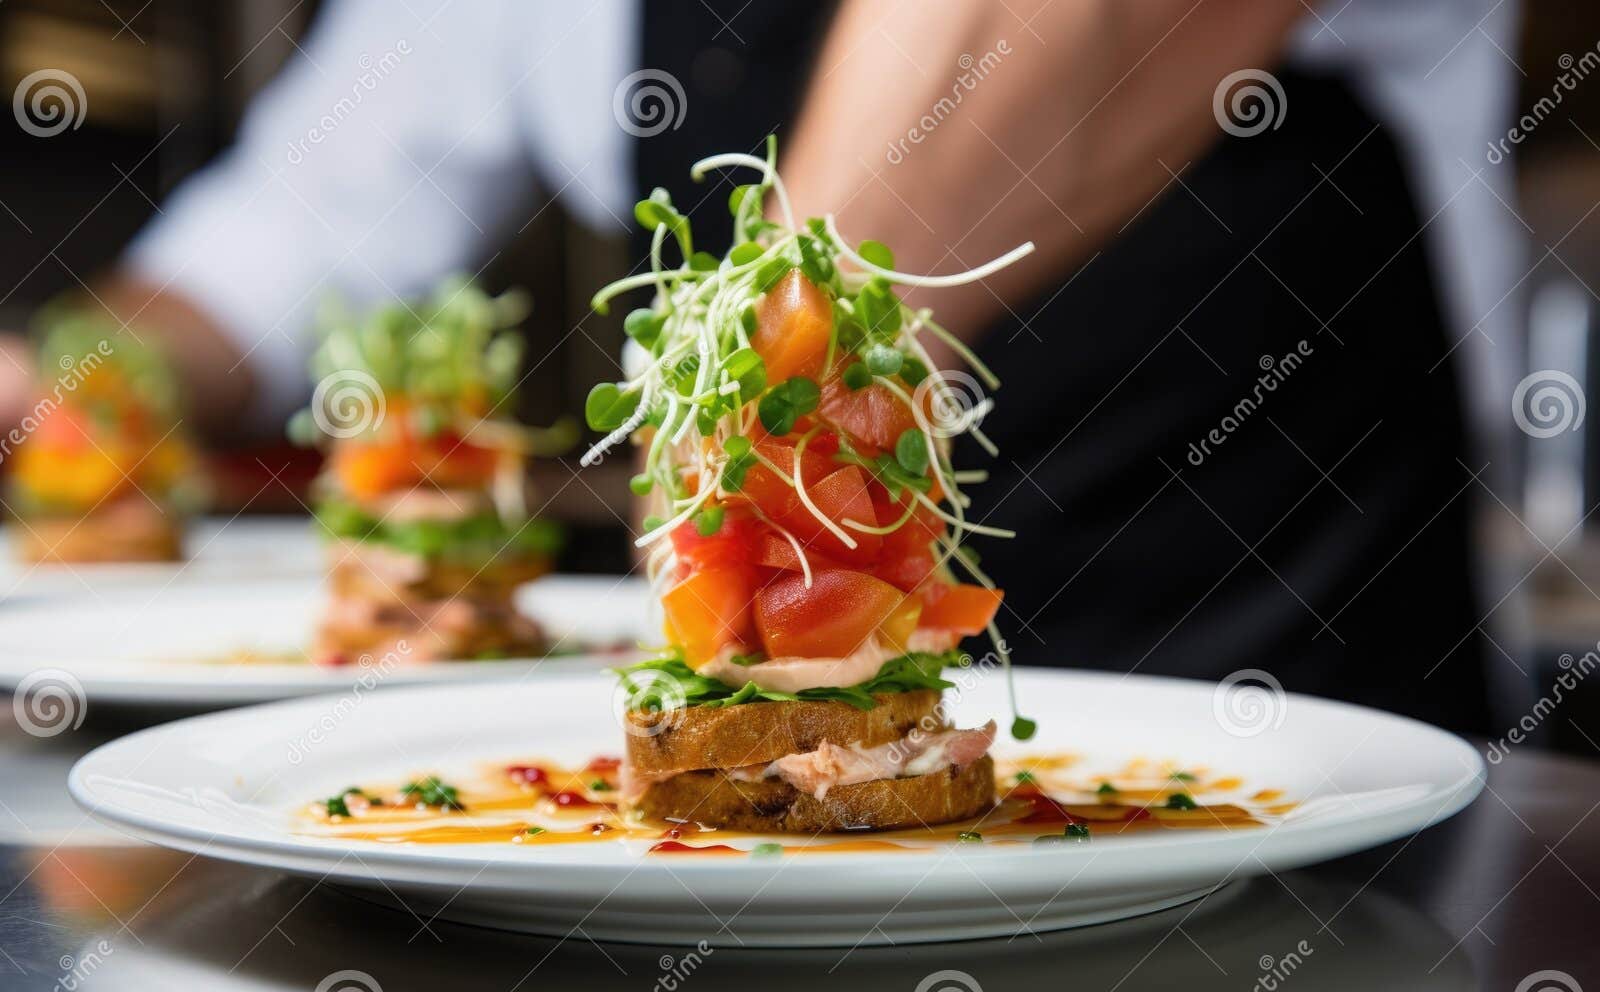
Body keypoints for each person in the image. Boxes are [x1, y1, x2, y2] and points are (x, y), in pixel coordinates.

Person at [0, 0, 1522, 733]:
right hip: (730, 896)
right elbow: (277, 245)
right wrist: (73, 380)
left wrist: (771, 394)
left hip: (1288, 735)